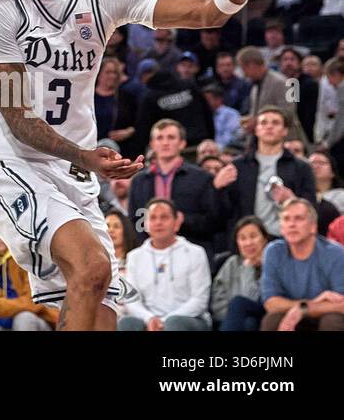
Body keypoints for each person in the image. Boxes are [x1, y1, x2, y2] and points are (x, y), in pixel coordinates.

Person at [0, 0, 290, 330]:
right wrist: (86, 157)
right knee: (92, 267)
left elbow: (206, 12)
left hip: (72, 171)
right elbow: (16, 117)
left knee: (102, 312)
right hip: (9, 158)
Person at [212, 107, 315, 241]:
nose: (269, 127)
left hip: (286, 240)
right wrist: (216, 188)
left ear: (285, 131)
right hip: (248, 241)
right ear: (256, 130)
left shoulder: (301, 167)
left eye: (275, 123)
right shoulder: (238, 167)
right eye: (263, 123)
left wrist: (293, 201)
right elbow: (223, 211)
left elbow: (312, 209)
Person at [127, 120, 221, 261]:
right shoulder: (138, 181)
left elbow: (212, 220)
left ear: (182, 143)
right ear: (152, 144)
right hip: (149, 257)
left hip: (192, 254)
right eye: (160, 138)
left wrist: (181, 221)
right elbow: (135, 221)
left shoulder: (202, 178)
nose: (165, 143)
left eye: (171, 137)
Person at [118, 199, 212, 331]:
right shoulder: (134, 257)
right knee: (127, 323)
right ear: (145, 224)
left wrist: (164, 322)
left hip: (190, 319)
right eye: (153, 218)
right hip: (149, 320)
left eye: (164, 217)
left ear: (176, 222)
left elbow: (200, 300)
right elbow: (131, 299)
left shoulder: (195, 253)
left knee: (174, 323)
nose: (158, 222)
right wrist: (149, 318)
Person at [258, 198, 344, 331]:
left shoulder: (335, 253)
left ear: (313, 226)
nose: (292, 224)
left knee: (332, 320)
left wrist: (303, 309)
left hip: (327, 316)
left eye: (299, 218)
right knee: (272, 319)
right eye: (286, 219)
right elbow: (271, 303)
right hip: (294, 313)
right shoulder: (273, 251)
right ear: (281, 228)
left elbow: (341, 305)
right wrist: (308, 305)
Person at [210, 216, 270, 332]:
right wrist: (233, 314)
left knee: (238, 303)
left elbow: (252, 298)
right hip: (232, 318)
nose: (248, 243)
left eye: (253, 236)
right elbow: (217, 302)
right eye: (242, 238)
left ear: (264, 239)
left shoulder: (273, 262)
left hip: (265, 313)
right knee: (247, 322)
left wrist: (249, 269)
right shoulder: (231, 263)